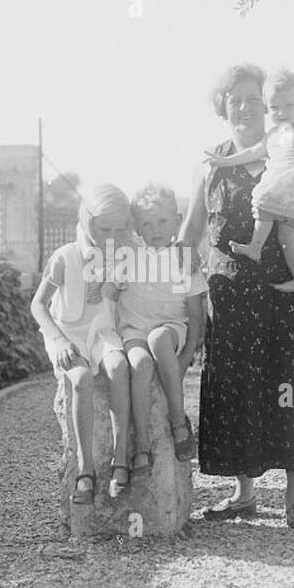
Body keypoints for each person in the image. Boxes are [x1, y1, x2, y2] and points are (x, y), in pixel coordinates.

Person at [178, 64, 294, 528]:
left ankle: (293, 495)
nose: (243, 107)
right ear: (222, 107)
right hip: (228, 291)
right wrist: (175, 291)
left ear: (267, 105)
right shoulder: (211, 163)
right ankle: (243, 494)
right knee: (236, 385)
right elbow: (190, 234)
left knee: (289, 382)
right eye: (234, 99)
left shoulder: (289, 148)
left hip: (282, 286)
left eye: (251, 98)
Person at [30, 184, 134, 503]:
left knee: (118, 367)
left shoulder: (121, 255)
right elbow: (38, 305)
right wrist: (58, 340)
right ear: (87, 221)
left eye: (119, 230)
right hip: (69, 334)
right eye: (104, 229)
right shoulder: (66, 257)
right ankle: (85, 469)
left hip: (101, 332)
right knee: (82, 379)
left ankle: (120, 460)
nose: (110, 237)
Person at [115, 183, 207, 489]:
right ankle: (141, 448)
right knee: (139, 364)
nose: (155, 230)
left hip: (170, 329)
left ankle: (179, 423)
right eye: (146, 223)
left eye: (163, 221)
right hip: (135, 331)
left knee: (158, 340)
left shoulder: (184, 260)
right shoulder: (130, 256)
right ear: (136, 228)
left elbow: (196, 316)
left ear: (178, 221)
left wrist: (186, 357)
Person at [212, 68, 294, 294]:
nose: (282, 112)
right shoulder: (274, 135)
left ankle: (291, 275)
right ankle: (268, 257)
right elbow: (252, 153)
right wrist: (224, 161)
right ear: (268, 107)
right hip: (281, 195)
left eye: (289, 106)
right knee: (285, 237)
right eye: (275, 107)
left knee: (276, 221)